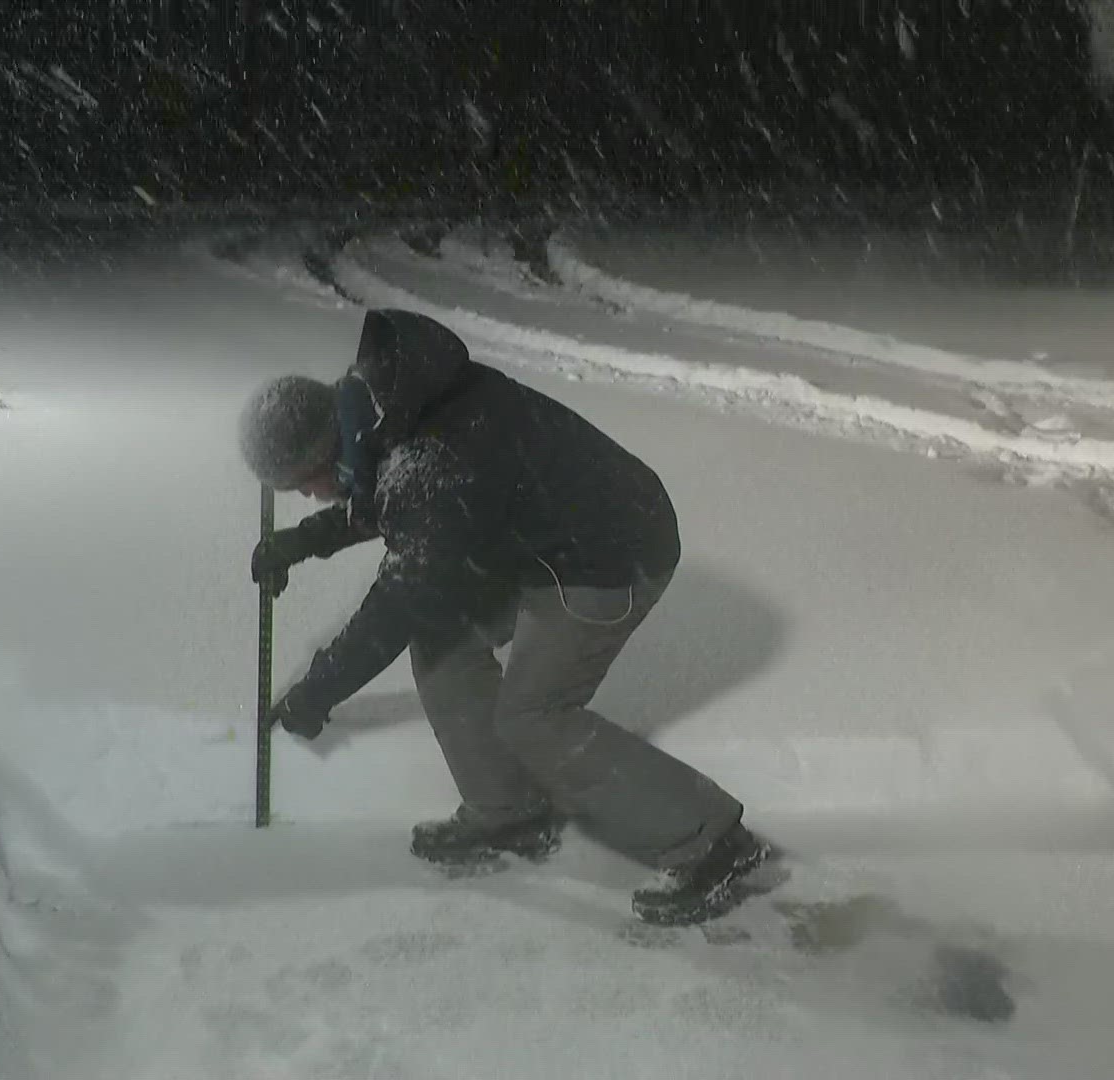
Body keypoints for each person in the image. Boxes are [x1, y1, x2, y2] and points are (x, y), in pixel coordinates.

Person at [237, 308, 768, 926]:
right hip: (539, 537)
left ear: (325, 453)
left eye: (304, 485)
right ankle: (508, 812)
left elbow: (400, 591)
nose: (307, 496)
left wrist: (319, 689)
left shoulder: (428, 454)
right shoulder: (384, 407)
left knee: (534, 715)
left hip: (610, 553)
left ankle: (711, 840)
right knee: (443, 641)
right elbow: (392, 499)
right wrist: (303, 540)